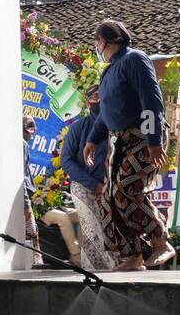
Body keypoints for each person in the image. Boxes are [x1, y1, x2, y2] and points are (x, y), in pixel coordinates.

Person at [82, 20, 174, 271]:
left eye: (97, 41)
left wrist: (154, 140)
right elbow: (106, 112)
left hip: (142, 136)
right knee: (109, 198)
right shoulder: (109, 70)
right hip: (117, 140)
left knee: (127, 190)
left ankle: (160, 240)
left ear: (104, 40)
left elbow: (151, 99)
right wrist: (92, 139)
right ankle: (132, 256)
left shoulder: (135, 59)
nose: (96, 46)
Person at [60, 84, 116, 273]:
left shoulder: (117, 124)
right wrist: (93, 184)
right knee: (92, 228)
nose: (98, 100)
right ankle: (96, 271)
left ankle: (113, 268)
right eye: (94, 96)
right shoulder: (78, 127)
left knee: (111, 228)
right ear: (87, 102)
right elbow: (66, 160)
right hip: (83, 185)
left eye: (102, 95)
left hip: (113, 187)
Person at [22, 115, 45, 267]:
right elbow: (21, 176)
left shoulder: (23, 144)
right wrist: (26, 204)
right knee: (31, 232)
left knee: (32, 232)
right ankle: (34, 262)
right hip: (23, 199)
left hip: (25, 197)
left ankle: (34, 261)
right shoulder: (22, 144)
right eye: (30, 127)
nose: (33, 132)